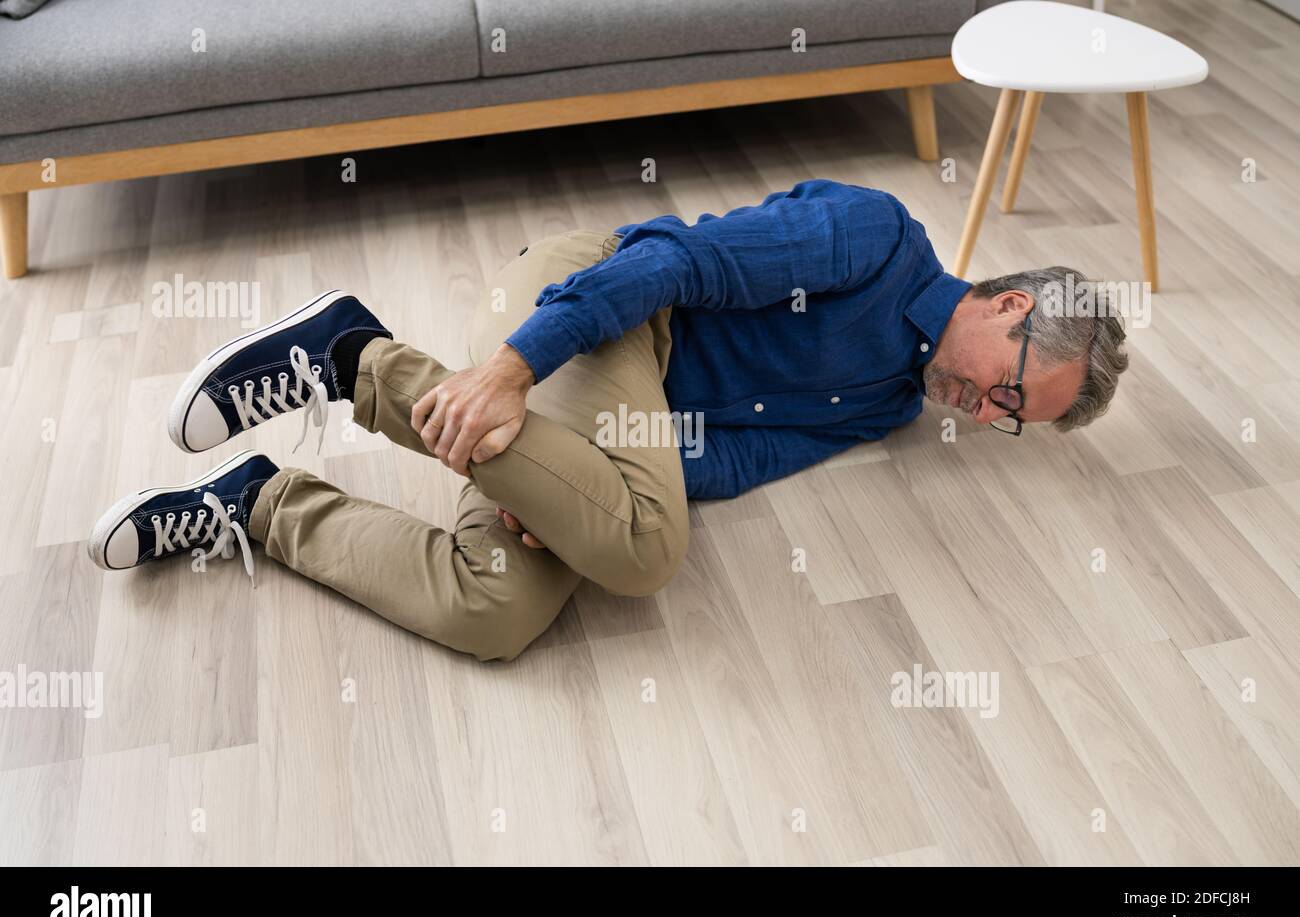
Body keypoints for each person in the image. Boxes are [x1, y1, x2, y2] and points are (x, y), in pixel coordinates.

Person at [87, 179, 1129, 661]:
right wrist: (511, 372)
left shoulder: (893, 400)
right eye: (1007, 386)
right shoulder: (876, 237)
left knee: (495, 610)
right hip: (596, 307)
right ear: (1009, 305)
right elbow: (672, 262)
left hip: (591, 424)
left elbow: (737, 455)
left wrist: (573, 484)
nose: (983, 410)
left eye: (1009, 421)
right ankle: (352, 359)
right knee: (646, 551)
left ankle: (253, 503)